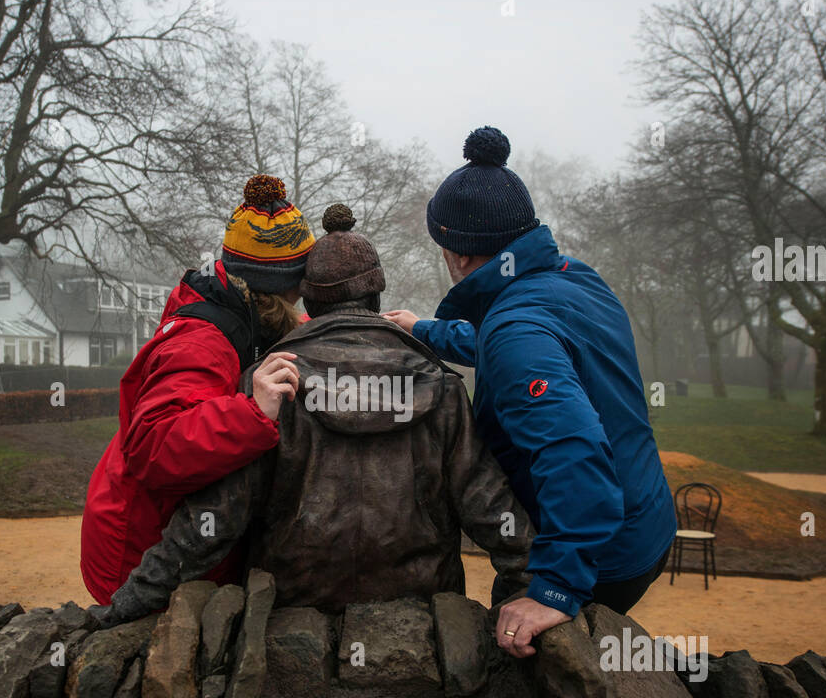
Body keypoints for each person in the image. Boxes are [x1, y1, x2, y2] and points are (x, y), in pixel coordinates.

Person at [103, 204, 534, 623]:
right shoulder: (440, 388)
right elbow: (493, 508)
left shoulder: (273, 382)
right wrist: (519, 597)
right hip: (420, 622)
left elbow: (211, 521)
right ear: (376, 293)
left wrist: (126, 606)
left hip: (291, 622)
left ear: (310, 297)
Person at [384, 127, 675, 659]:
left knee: (509, 657)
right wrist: (424, 329)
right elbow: (518, 341)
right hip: (646, 520)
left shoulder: (516, 330)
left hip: (600, 551)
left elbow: (574, 451)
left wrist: (554, 589)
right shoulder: (572, 279)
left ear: (458, 253)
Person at [80, 174, 316, 606]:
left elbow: (297, 330)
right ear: (285, 288)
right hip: (140, 556)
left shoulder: (248, 315)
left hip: (183, 545)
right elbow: (153, 443)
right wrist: (252, 414)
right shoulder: (200, 341)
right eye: (304, 285)